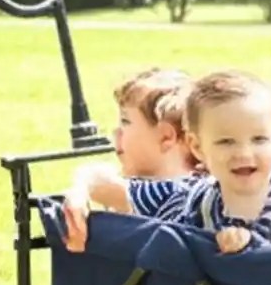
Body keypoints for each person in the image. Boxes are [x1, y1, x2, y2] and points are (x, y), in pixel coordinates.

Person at [66, 71, 271, 254]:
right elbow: (107, 184)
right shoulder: (194, 195)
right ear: (197, 147)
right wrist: (80, 191)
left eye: (259, 140)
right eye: (226, 142)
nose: (244, 154)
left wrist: (252, 247)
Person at [61, 68, 202, 242]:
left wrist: (80, 191)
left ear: (166, 137)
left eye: (125, 121)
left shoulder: (172, 193)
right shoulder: (206, 184)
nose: (116, 132)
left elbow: (100, 181)